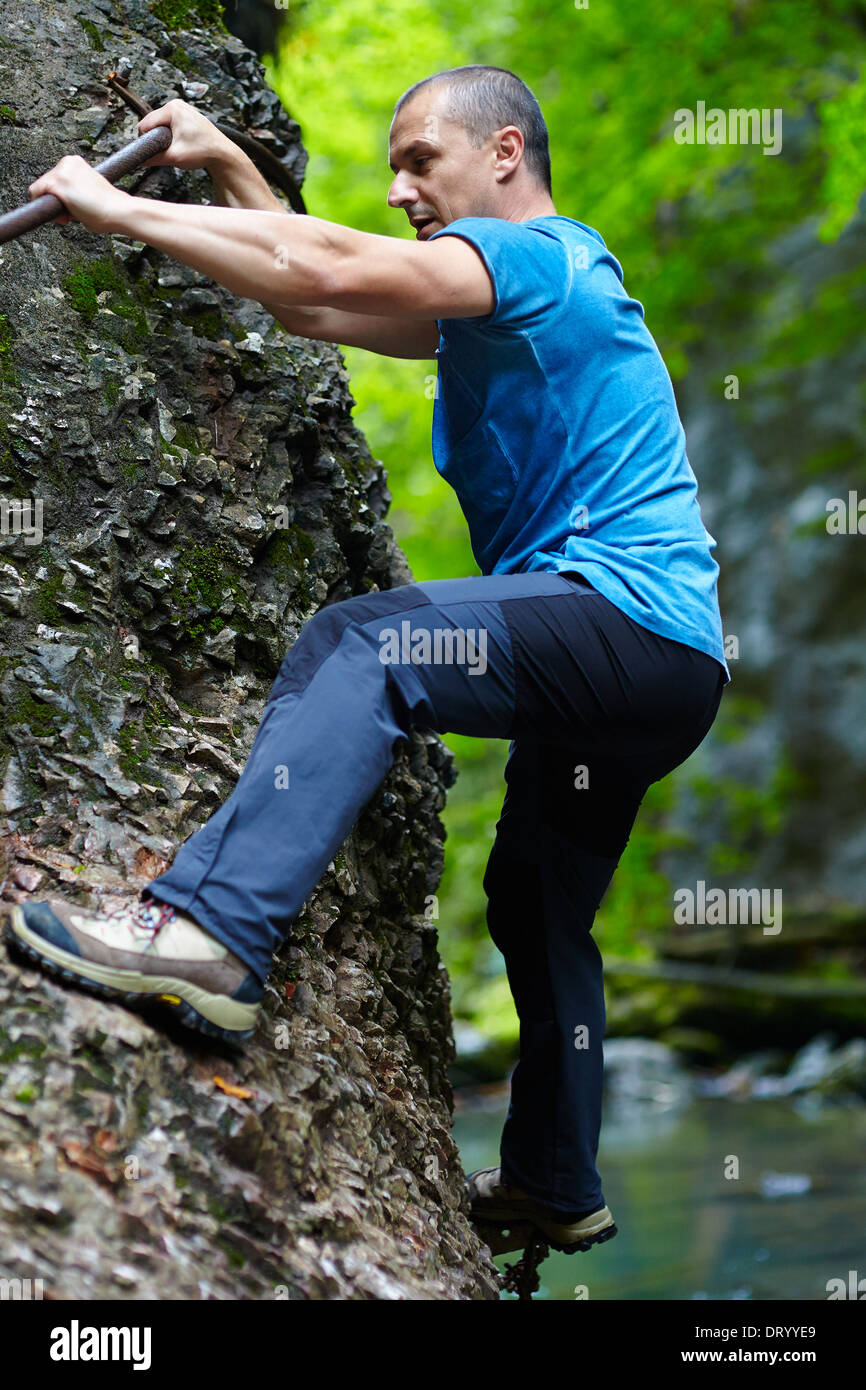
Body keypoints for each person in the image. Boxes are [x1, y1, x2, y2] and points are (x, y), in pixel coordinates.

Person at [6, 66, 729, 1255]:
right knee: (536, 897)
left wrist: (117, 205)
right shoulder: (492, 301)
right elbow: (312, 300)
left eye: (418, 161)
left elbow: (336, 267)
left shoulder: (541, 258)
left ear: (504, 153)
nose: (398, 188)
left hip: (620, 620)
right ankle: (556, 1177)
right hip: (660, 666)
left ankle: (209, 934)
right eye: (392, 168)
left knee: (368, 640)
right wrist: (226, 162)